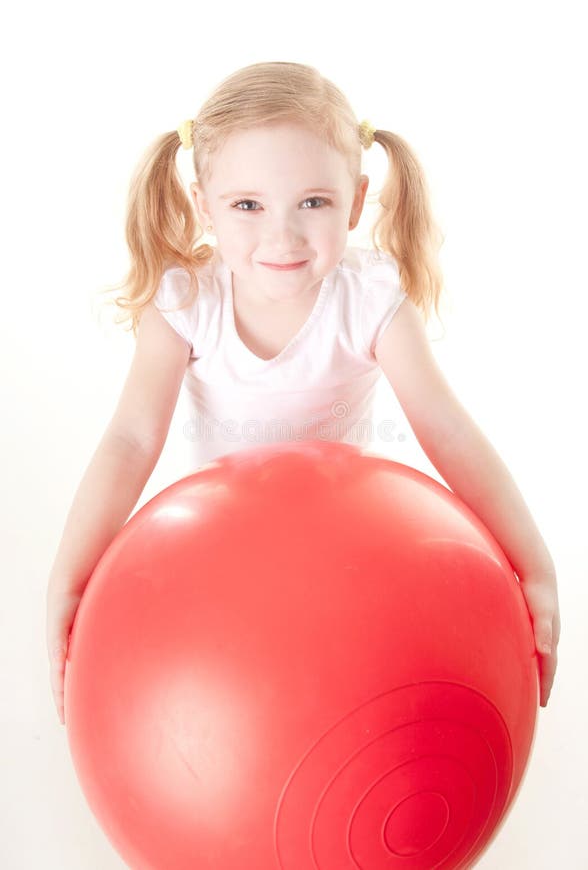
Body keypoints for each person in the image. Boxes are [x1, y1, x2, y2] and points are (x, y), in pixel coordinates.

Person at [46, 61, 560, 725]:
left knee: (341, 704)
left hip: (350, 556)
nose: (281, 237)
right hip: (229, 551)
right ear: (205, 205)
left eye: (312, 202)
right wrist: (71, 577)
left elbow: (449, 431)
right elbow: (131, 438)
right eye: (248, 205)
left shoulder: (371, 301)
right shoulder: (185, 302)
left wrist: (535, 563)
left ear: (355, 200)